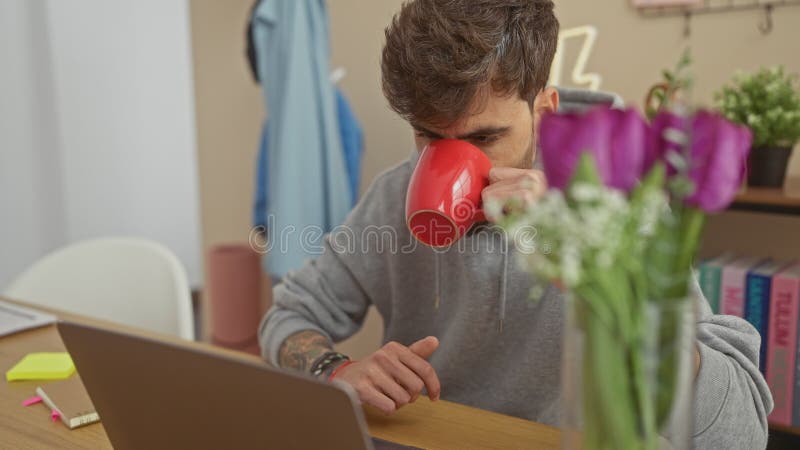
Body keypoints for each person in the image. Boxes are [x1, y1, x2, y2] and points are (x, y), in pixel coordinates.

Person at [258, 1, 772, 448]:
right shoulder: (396, 193)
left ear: (545, 111)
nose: (453, 162)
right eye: (428, 137)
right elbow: (288, 317)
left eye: (484, 138)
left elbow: (742, 432)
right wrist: (337, 370)